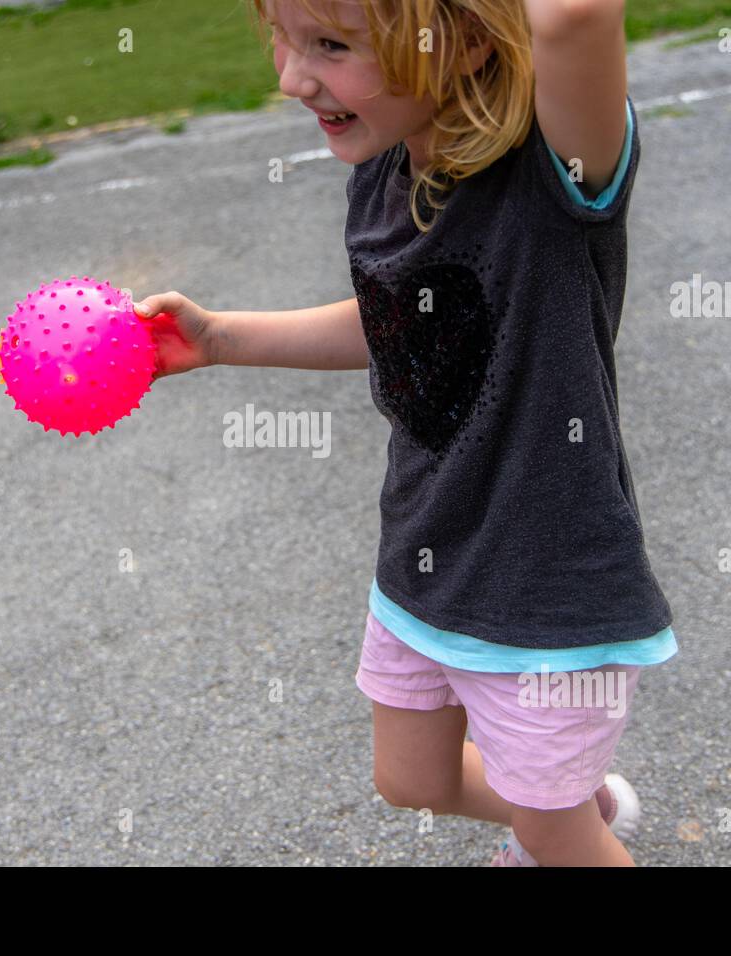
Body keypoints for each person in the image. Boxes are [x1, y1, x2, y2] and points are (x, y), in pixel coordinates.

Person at [132, 0, 678, 866]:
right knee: (410, 779)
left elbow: (578, 16)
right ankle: (577, 806)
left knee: (550, 829)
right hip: (427, 561)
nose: (291, 76)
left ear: (459, 42)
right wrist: (223, 339)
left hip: (547, 591)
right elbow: (404, 329)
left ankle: (561, 824)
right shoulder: (386, 173)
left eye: (333, 46)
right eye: (286, 37)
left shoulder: (555, 172)